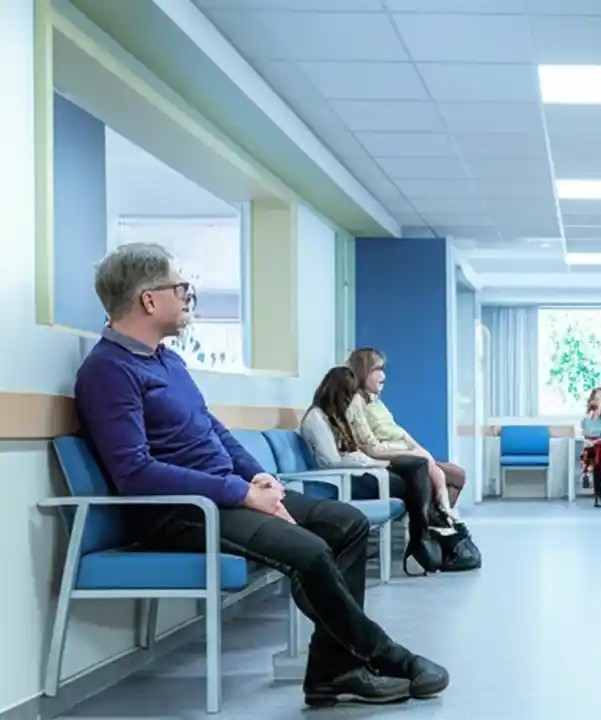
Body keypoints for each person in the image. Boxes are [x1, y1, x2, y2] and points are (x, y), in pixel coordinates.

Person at [74, 243, 448, 707]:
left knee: (346, 522)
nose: (187, 297)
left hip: (228, 495)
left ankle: (333, 671)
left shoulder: (167, 361)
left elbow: (212, 430)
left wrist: (261, 479)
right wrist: (239, 492)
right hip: (179, 512)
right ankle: (382, 654)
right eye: (180, 287)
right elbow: (134, 472)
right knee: (310, 551)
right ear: (149, 300)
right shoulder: (107, 371)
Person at [300, 366, 437, 577]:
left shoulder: (335, 416)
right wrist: (373, 463)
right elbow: (332, 461)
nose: (352, 402)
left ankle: (420, 540)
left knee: (417, 466)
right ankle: (421, 541)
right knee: (412, 484)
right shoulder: (316, 419)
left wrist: (371, 461)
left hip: (358, 471)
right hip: (343, 479)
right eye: (350, 395)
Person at [346, 348, 464, 514]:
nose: (383, 376)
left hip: (404, 453)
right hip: (389, 460)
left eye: (383, 370)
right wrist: (411, 452)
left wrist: (421, 451)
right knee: (448, 477)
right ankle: (438, 522)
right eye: (376, 370)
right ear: (362, 372)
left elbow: (399, 432)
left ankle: (438, 521)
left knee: (456, 475)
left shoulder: (376, 401)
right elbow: (371, 447)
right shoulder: (356, 404)